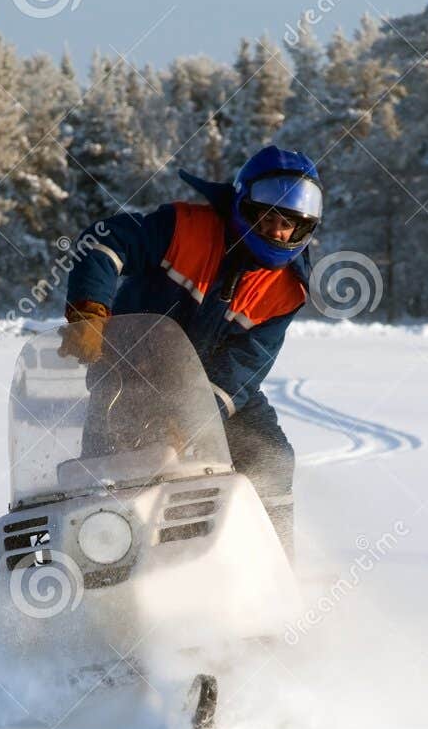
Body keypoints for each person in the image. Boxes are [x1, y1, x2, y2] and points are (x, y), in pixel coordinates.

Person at [60, 145, 322, 558]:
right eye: (268, 215)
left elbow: (245, 365)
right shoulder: (182, 228)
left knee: (272, 459)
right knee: (103, 483)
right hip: (129, 375)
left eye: (289, 223)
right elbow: (104, 241)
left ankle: (273, 568)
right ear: (243, 203)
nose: (276, 231)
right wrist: (89, 308)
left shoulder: (288, 289)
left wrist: (196, 418)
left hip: (214, 389)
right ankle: (97, 577)